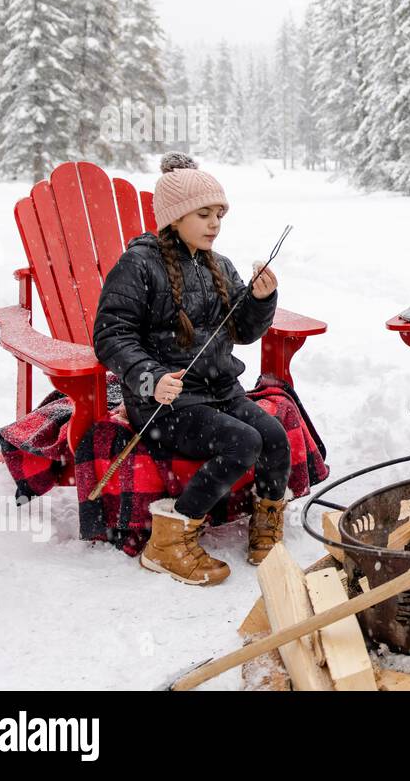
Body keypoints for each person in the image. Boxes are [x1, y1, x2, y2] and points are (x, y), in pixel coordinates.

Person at [93, 153, 286, 586]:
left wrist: (259, 300)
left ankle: (266, 524)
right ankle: (169, 539)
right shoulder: (139, 266)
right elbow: (111, 337)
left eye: (219, 214)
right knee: (243, 442)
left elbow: (242, 331)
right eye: (204, 214)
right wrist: (150, 377)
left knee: (273, 437)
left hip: (220, 389)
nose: (215, 223)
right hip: (167, 401)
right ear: (175, 217)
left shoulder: (219, 265)